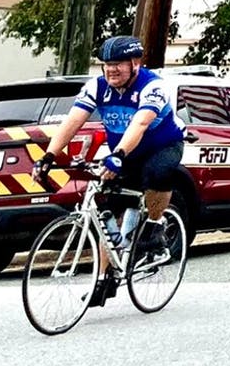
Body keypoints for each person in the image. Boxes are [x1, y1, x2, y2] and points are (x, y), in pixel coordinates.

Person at [37, 36, 188, 303]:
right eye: (107, 65)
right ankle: (103, 279)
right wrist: (48, 156)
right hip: (126, 149)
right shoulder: (97, 86)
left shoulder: (153, 86)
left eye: (118, 64)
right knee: (111, 210)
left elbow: (140, 124)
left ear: (135, 64)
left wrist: (117, 155)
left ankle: (154, 226)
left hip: (161, 145)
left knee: (158, 173)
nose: (111, 70)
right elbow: (72, 121)